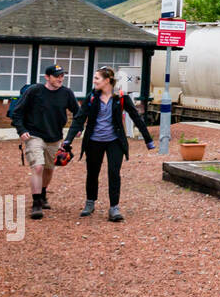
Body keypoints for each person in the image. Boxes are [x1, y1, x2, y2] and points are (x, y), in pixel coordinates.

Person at [62, 67, 154, 223]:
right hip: (94, 141)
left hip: (114, 141)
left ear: (107, 80)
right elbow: (79, 118)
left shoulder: (121, 98)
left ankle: (114, 208)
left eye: (97, 78)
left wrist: (148, 139)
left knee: (113, 172)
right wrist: (68, 140)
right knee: (92, 172)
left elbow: (136, 117)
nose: (94, 81)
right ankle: (90, 202)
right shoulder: (92, 97)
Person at [13, 64, 81, 220]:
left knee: (49, 169)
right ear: (47, 77)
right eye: (57, 76)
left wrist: (78, 128)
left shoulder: (67, 93)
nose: (60, 79)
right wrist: (22, 130)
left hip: (55, 137)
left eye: (62, 76)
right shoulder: (34, 91)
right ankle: (36, 203)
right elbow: (17, 112)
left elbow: (78, 113)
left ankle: (43, 194)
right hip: (34, 135)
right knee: (37, 167)